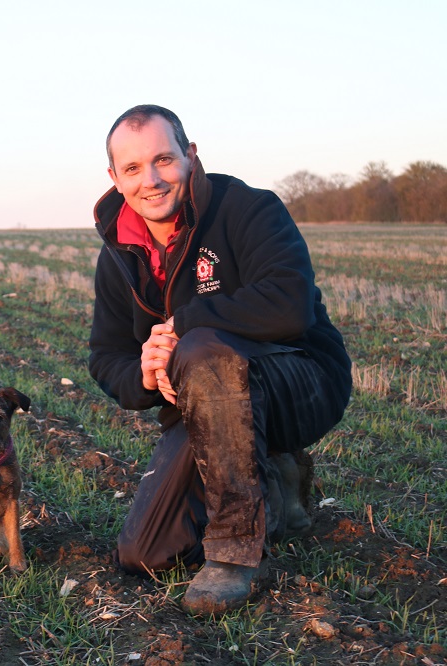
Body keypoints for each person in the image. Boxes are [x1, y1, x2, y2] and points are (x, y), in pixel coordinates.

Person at [88, 104, 352, 615]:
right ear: (115, 178)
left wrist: (181, 325)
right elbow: (105, 354)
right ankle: (275, 479)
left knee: (201, 346)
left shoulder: (247, 208)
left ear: (189, 155)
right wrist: (145, 372)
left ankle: (235, 551)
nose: (151, 180)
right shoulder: (118, 252)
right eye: (133, 168)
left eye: (164, 159)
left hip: (299, 381)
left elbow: (290, 302)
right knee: (146, 554)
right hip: (205, 405)